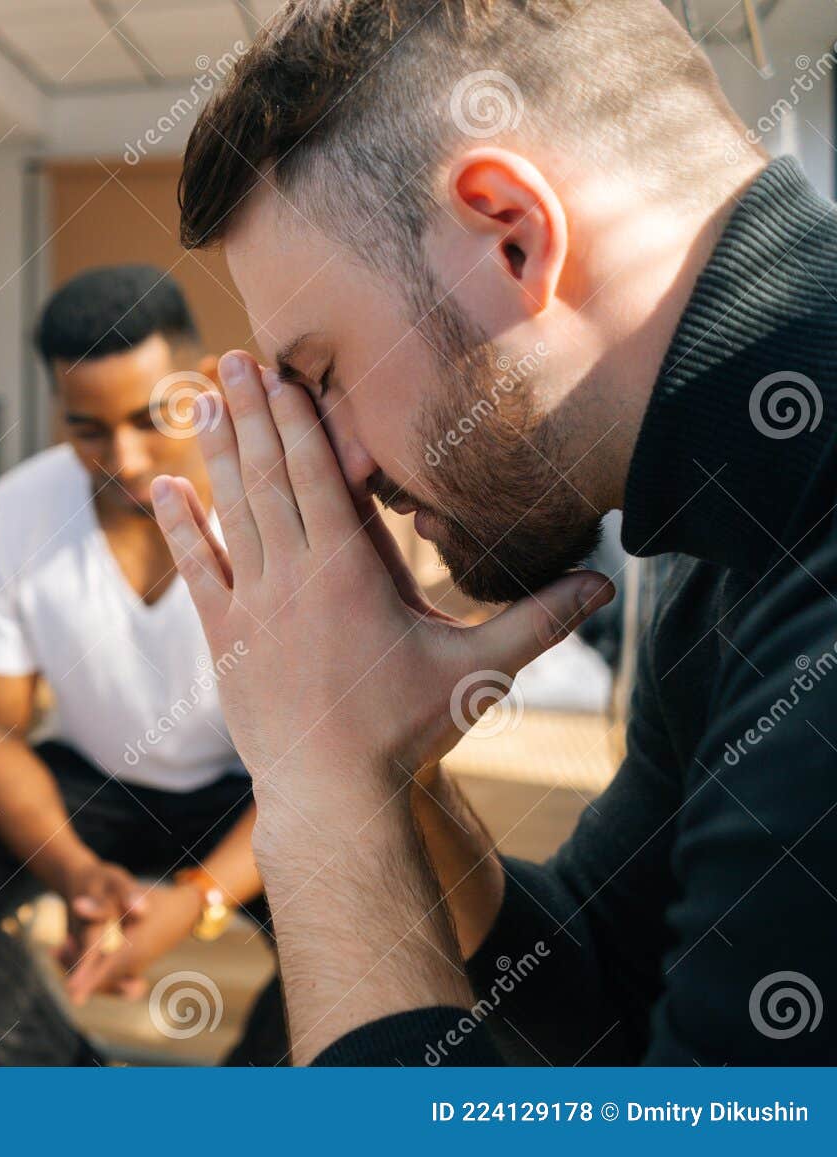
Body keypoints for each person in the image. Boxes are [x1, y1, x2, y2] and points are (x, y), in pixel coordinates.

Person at [151, 0, 837, 1064]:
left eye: (325, 373)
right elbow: (610, 996)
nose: (342, 464)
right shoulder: (726, 529)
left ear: (511, 237)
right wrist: (392, 770)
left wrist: (320, 784)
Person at [0, 266, 286, 1065]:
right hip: (92, 779)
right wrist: (77, 877)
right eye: (88, 428)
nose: (123, 457)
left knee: (381, 909)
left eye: (150, 418)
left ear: (200, 385)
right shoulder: (12, 515)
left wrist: (196, 900)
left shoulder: (283, 506)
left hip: (258, 790)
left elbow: (332, 759)